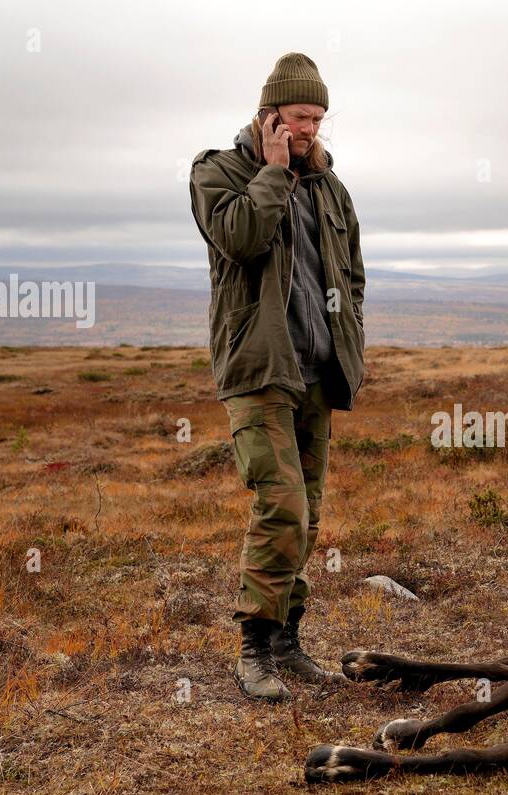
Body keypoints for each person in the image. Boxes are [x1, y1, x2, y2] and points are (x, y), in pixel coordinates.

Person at [189, 52, 366, 702]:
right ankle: (254, 650)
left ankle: (289, 643)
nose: (311, 128)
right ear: (270, 115)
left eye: (318, 117)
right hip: (259, 370)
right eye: (299, 116)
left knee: (309, 515)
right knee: (282, 507)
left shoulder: (330, 187)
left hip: (316, 374)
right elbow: (239, 238)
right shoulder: (219, 172)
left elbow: (351, 276)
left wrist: (350, 343)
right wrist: (272, 172)